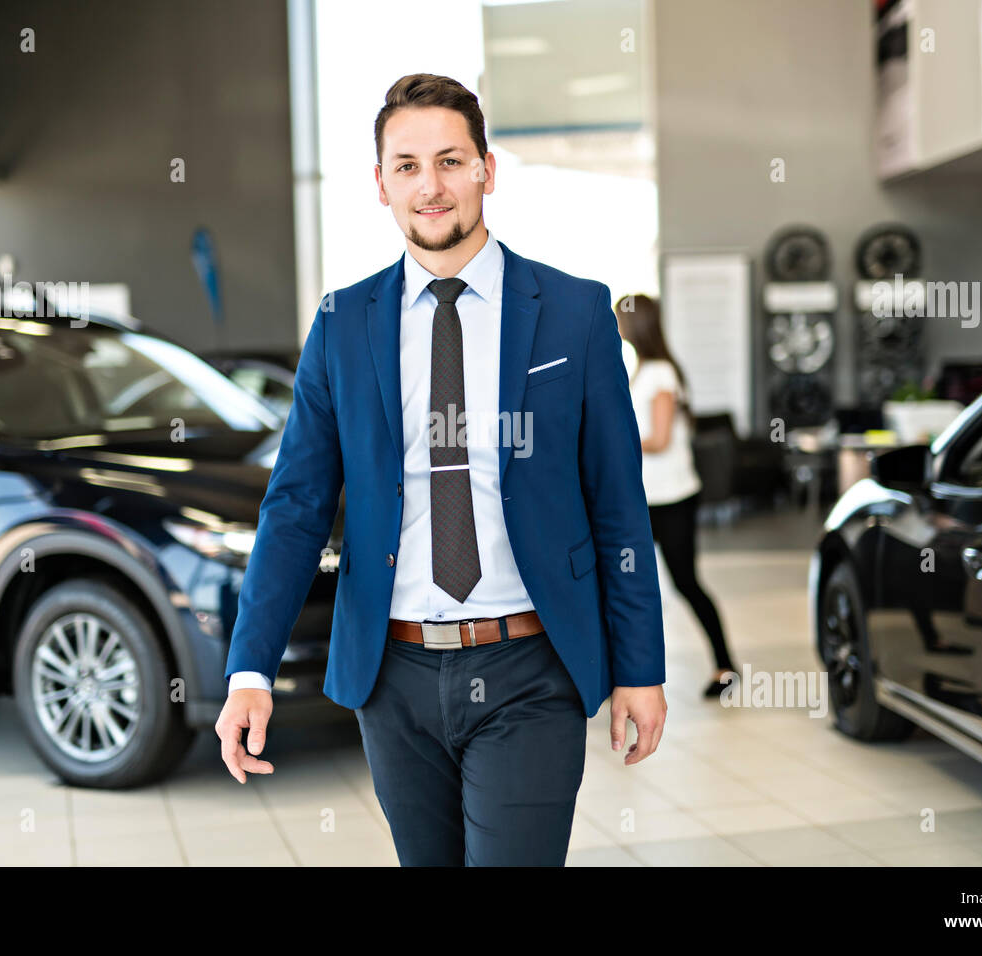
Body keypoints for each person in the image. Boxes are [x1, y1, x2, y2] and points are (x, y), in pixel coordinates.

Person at [215, 74, 667, 867]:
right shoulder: (341, 326)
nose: (431, 186)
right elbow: (295, 508)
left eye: (451, 161)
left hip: (529, 666)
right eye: (408, 165)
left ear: (487, 169)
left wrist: (640, 668)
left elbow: (618, 504)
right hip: (393, 675)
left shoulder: (573, 311)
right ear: (381, 182)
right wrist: (250, 666)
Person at [615, 293, 735, 698]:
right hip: (646, 497)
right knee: (623, 581)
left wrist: (614, 439)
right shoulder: (644, 370)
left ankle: (725, 666)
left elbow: (661, 439)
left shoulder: (661, 373)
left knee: (685, 581)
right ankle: (622, 674)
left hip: (673, 496)